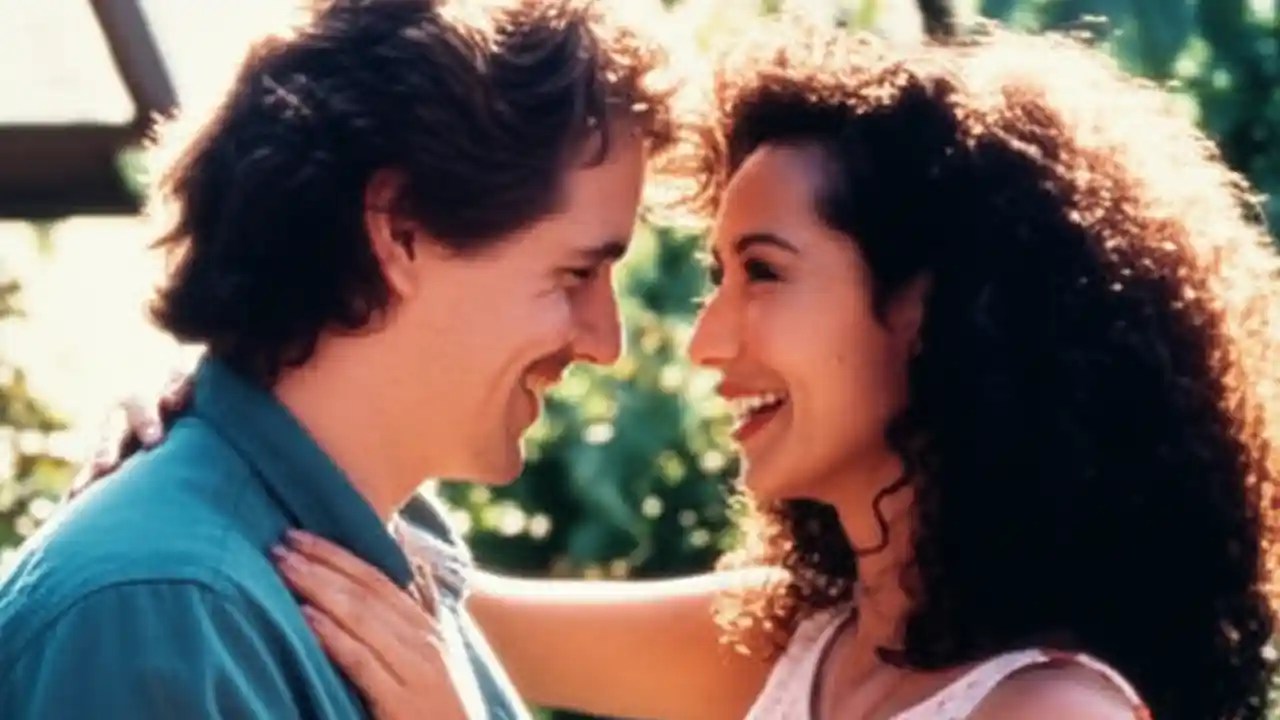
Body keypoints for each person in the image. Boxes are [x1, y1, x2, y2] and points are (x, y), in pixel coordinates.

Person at [78, 21, 1280, 720]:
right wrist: (212, 439)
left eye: (761, 272)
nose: (703, 338)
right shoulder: (800, 645)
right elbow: (388, 590)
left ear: (934, 312)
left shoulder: (1048, 716)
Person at [0, 0, 674, 717]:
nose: (606, 343)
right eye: (575, 274)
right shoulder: (165, 616)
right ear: (401, 232)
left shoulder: (399, 578)